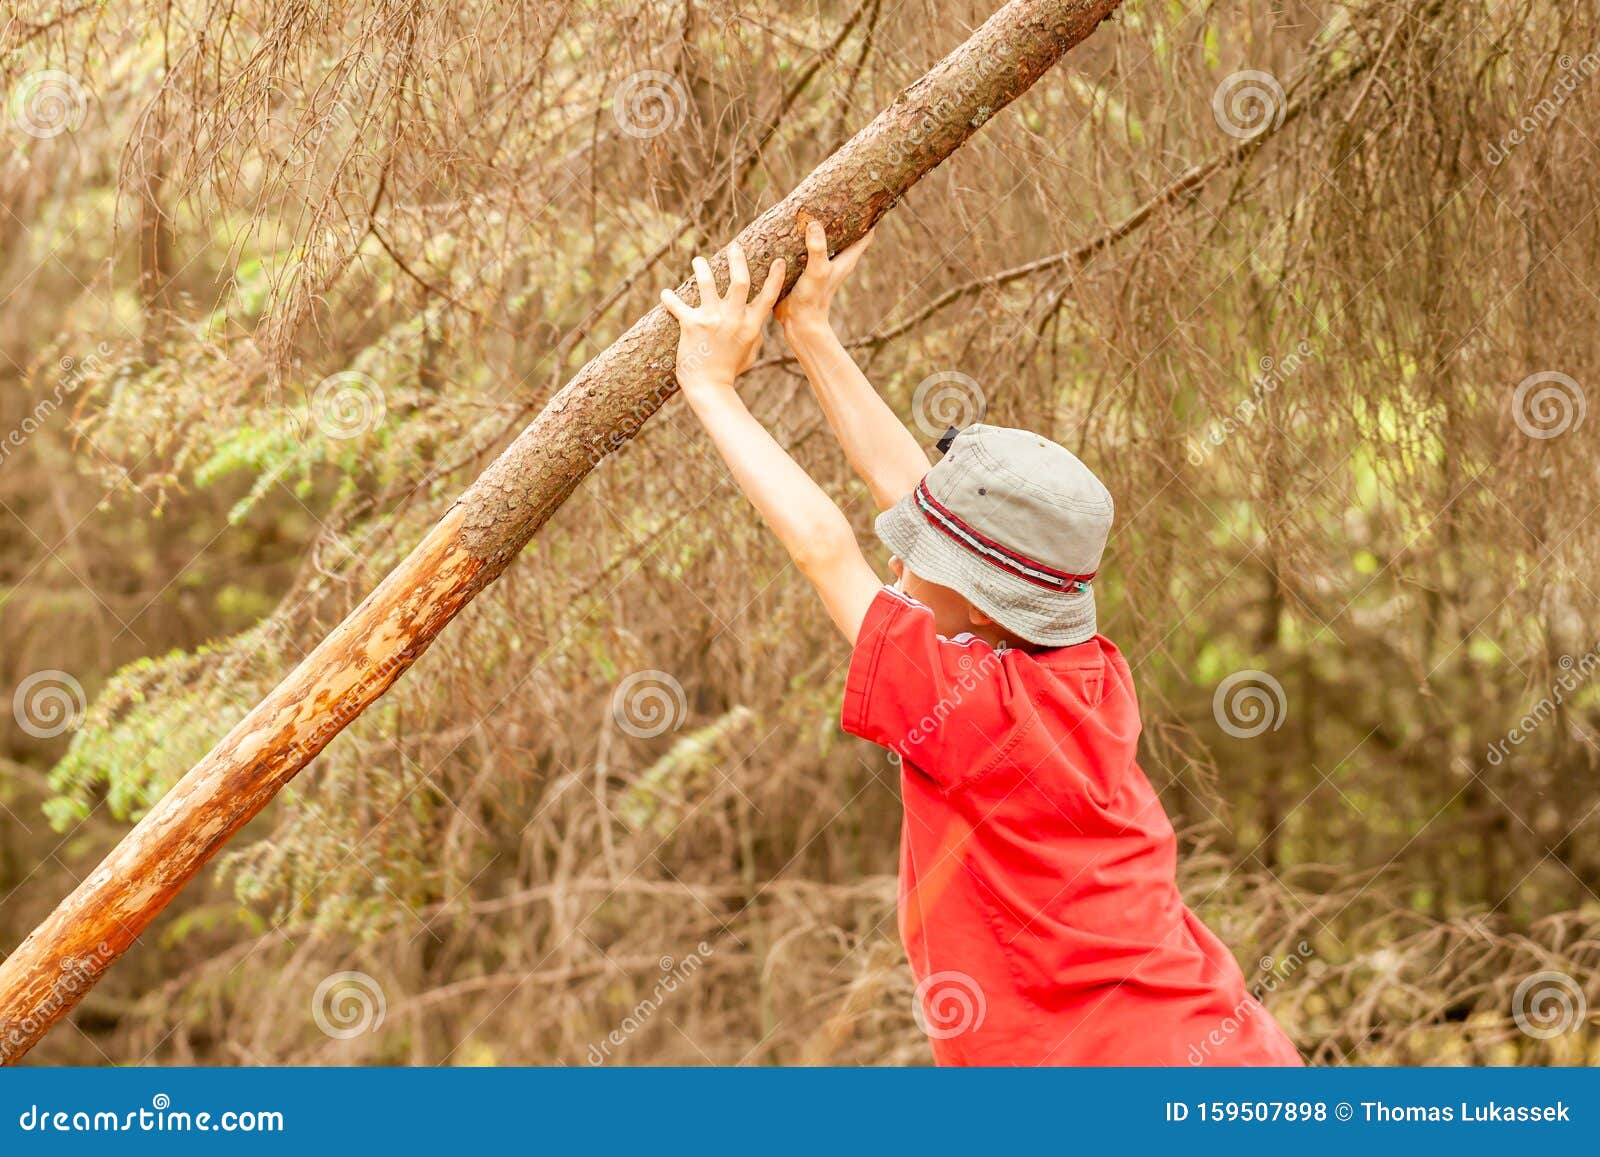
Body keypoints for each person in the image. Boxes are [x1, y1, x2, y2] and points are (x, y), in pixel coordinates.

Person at [658, 221, 1302, 1066]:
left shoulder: (975, 712)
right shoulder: (1080, 668)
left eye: (924, 554)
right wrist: (810, 332)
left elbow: (826, 550)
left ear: (989, 601)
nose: (901, 555)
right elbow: (909, 494)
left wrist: (710, 388)